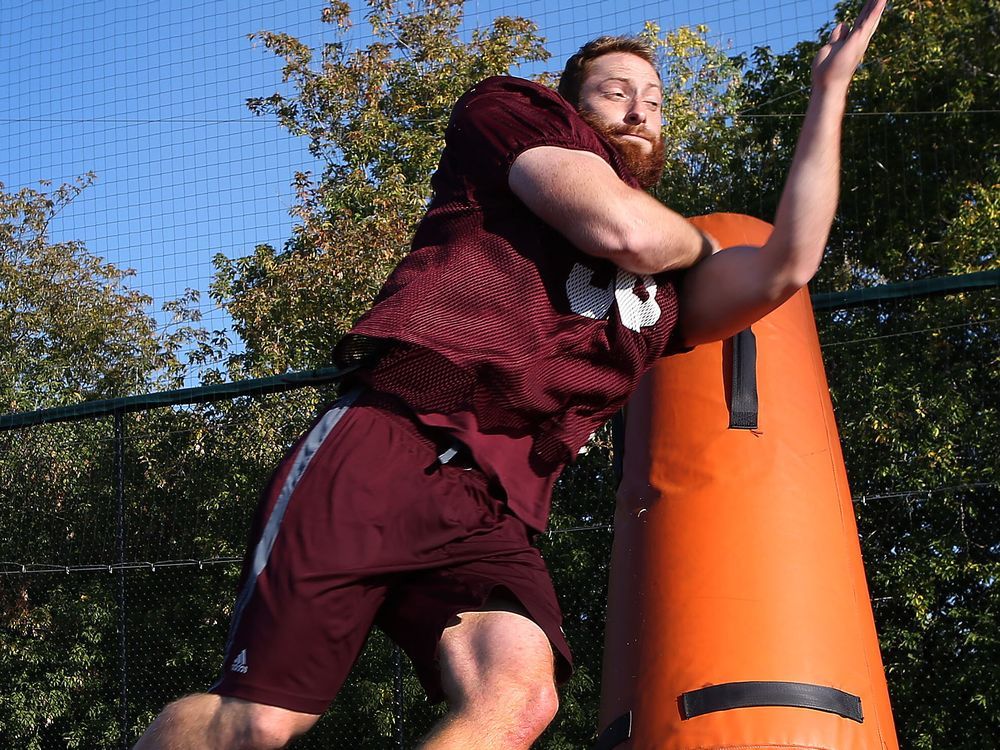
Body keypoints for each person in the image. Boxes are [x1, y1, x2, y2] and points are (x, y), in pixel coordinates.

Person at [134, 1, 886, 747]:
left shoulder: (669, 292)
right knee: (258, 722)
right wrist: (695, 246)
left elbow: (789, 262)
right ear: (572, 102)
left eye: (655, 100)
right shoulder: (513, 114)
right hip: (395, 437)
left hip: (500, 501)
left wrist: (830, 92)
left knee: (519, 695)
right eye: (615, 90)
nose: (639, 109)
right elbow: (618, 227)